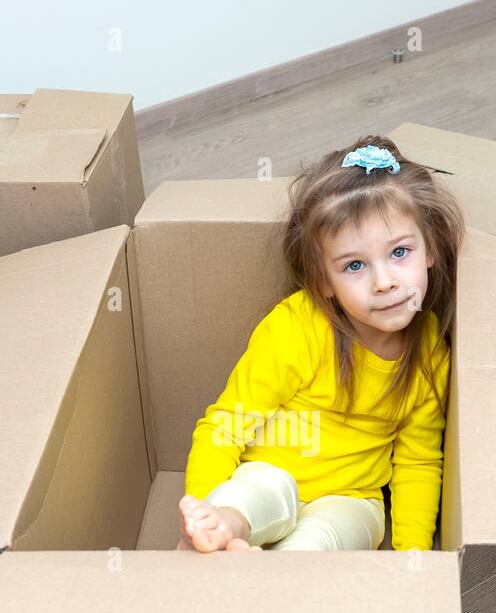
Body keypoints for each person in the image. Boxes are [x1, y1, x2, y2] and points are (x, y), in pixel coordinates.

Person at [176, 137, 464, 553]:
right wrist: (207, 505)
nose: (384, 281)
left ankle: (277, 569)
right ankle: (225, 529)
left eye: (400, 252)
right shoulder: (296, 328)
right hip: (271, 472)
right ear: (323, 282)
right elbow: (224, 426)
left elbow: (418, 462)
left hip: (351, 499)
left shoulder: (431, 349)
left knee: (324, 540)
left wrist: (412, 556)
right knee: (257, 493)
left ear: (430, 249)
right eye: (354, 265)